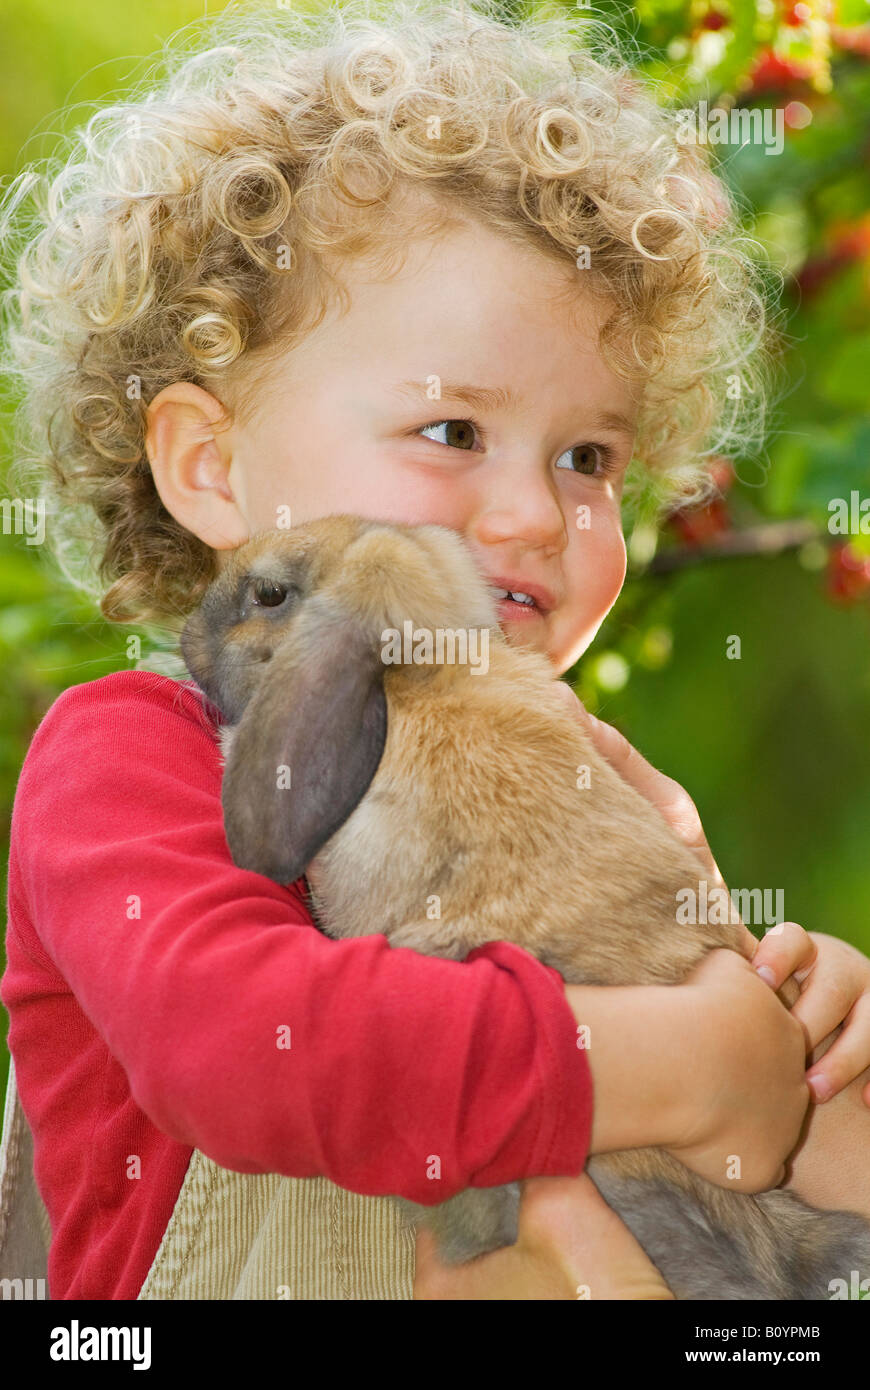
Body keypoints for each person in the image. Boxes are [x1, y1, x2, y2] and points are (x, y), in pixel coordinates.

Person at [2, 0, 869, 1301]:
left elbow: (759, 1229)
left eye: (588, 458)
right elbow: (238, 1046)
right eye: (454, 430)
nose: (533, 513)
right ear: (210, 465)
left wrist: (815, 1080)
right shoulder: (132, 756)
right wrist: (668, 1057)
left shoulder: (598, 786)